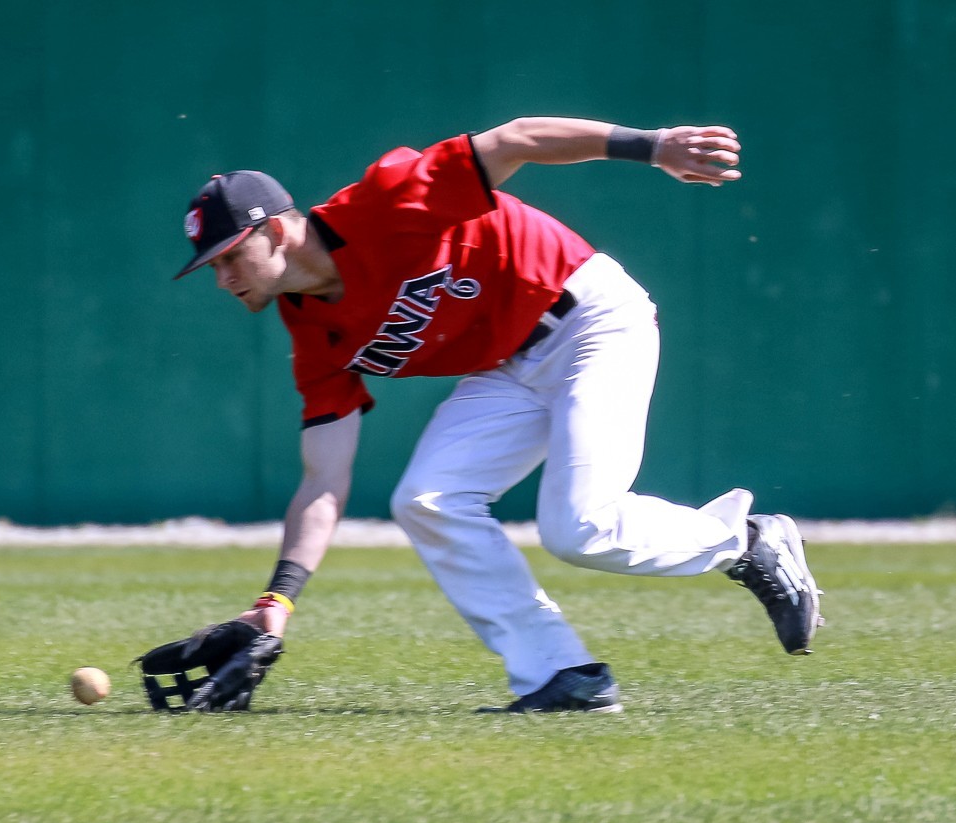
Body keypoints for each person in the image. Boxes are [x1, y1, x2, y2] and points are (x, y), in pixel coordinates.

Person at [172, 117, 822, 713]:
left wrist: (650, 147)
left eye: (231, 254)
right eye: (213, 264)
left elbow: (516, 139)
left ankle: (746, 542)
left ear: (277, 227)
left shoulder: (385, 201)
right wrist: (275, 604)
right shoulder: (314, 334)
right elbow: (322, 481)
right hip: (509, 366)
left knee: (579, 526)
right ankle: (560, 676)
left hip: (589, 316)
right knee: (426, 499)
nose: (223, 276)